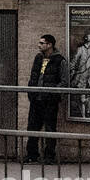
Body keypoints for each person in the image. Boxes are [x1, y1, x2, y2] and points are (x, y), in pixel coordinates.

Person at [25, 34, 67, 164]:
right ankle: (32, 155)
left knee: (50, 128)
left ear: (49, 45)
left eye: (42, 43)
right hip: (36, 98)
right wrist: (31, 92)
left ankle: (49, 156)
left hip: (49, 100)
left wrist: (52, 94)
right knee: (32, 127)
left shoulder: (59, 60)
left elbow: (64, 81)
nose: (39, 45)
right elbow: (33, 76)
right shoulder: (38, 58)